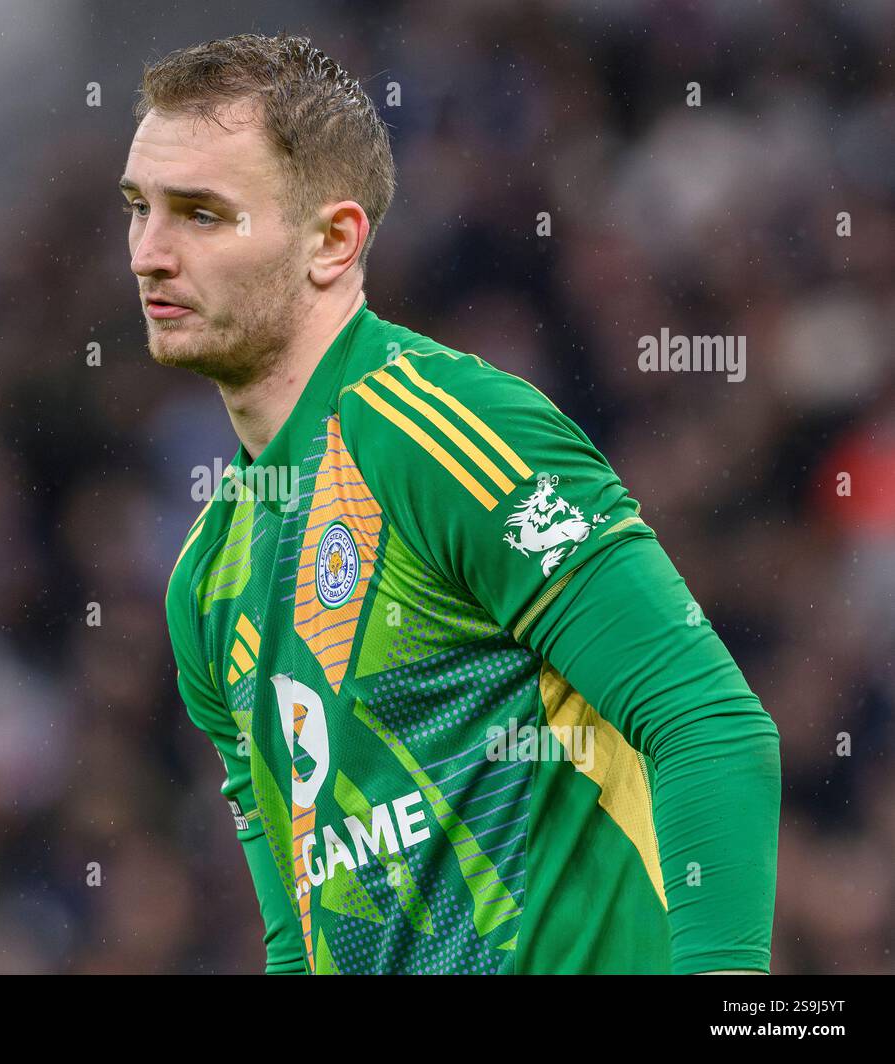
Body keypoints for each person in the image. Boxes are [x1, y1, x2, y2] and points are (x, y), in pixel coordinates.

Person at [122, 32, 780, 974]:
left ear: (333, 240)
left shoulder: (446, 433)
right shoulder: (205, 581)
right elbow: (297, 934)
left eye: (199, 214)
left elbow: (709, 727)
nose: (149, 254)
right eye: (139, 209)